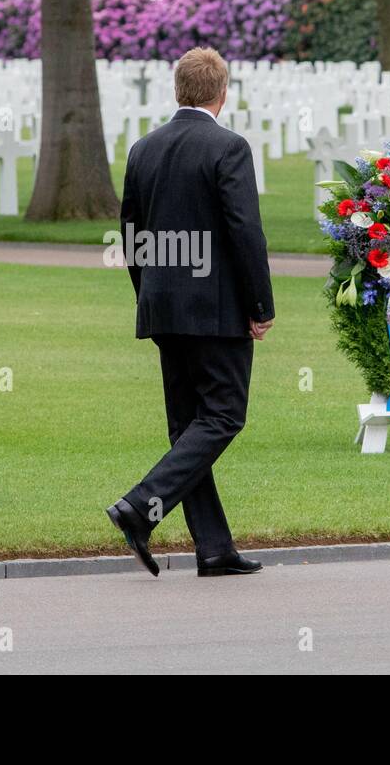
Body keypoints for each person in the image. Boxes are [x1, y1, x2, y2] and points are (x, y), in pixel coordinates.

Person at [106, 46, 275, 578]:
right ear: (222, 93)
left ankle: (214, 548)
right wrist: (260, 305)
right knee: (223, 416)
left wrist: (149, 295)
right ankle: (140, 506)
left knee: (189, 429)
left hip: (163, 307)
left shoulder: (143, 149)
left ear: (178, 90)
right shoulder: (229, 147)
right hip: (217, 310)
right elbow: (244, 230)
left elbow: (131, 235)